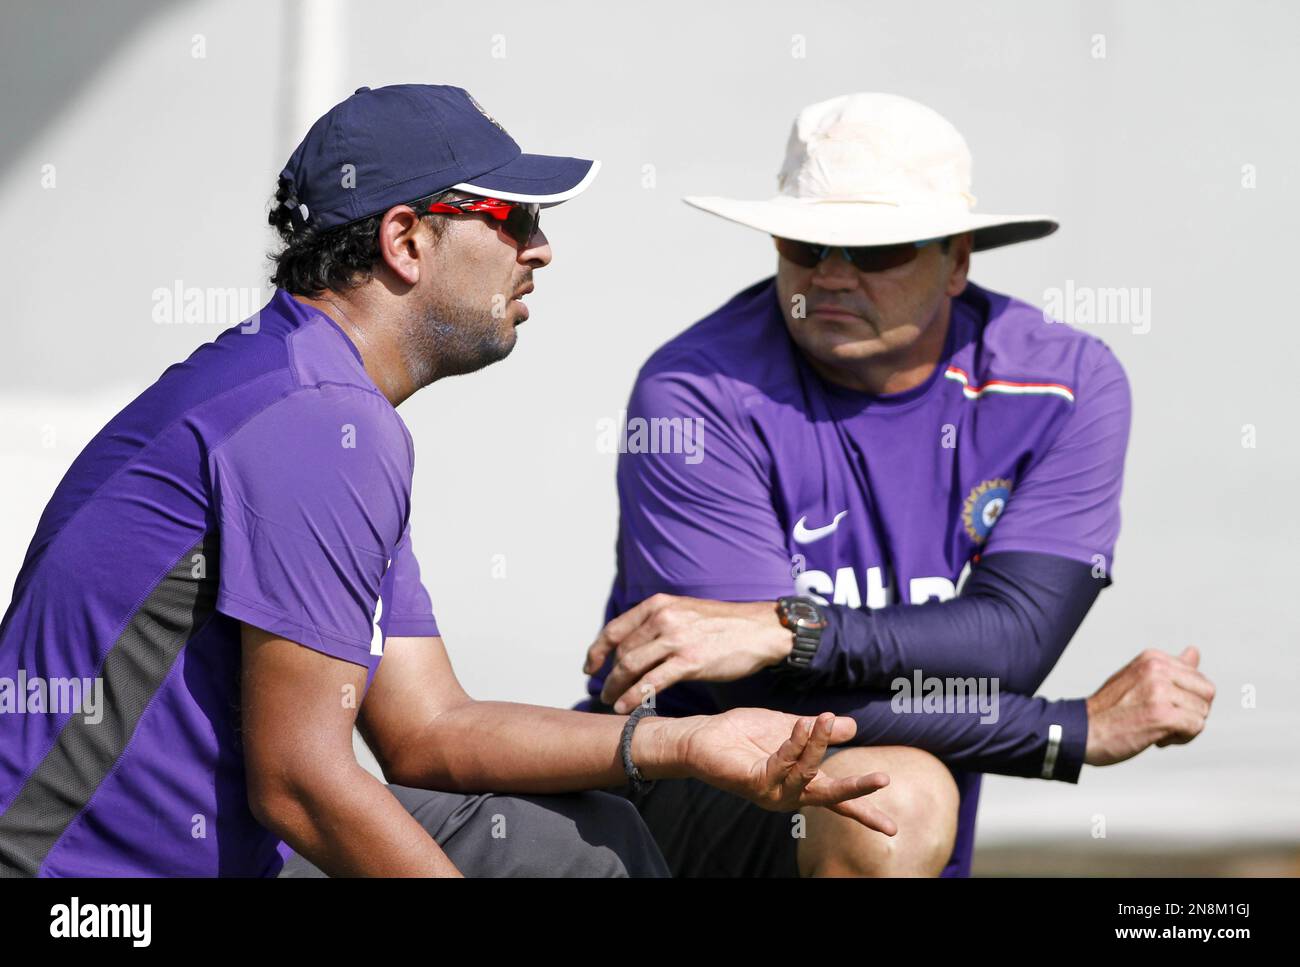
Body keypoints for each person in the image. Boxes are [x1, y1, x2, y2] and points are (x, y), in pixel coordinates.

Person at [0, 84, 896, 878]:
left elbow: (427, 729)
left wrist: (687, 741)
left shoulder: (314, 394)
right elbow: (302, 784)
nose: (540, 249)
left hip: (187, 847)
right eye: (514, 218)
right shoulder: (316, 421)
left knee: (580, 839)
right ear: (405, 238)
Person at [580, 92, 1215, 877]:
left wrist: (793, 629)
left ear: (958, 261)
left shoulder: (1066, 383)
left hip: (869, 816)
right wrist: (1065, 731)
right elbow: (770, 709)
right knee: (897, 800)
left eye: (876, 250)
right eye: (806, 243)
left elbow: (1011, 643)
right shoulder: (695, 389)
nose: (834, 274)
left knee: (896, 799)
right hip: (677, 808)